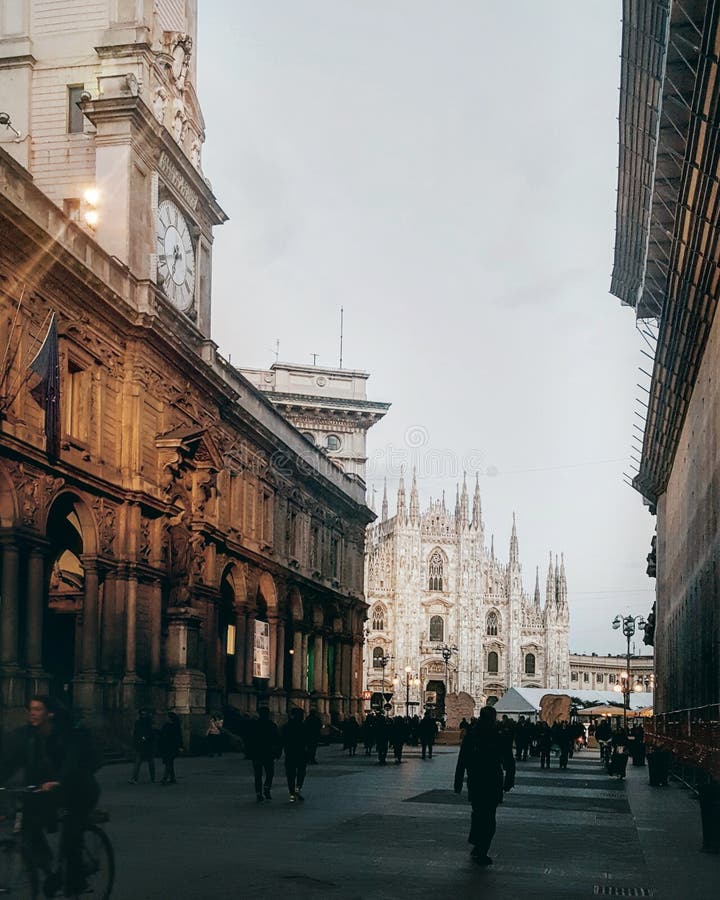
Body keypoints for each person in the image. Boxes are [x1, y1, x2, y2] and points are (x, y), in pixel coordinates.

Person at [0, 696, 101, 897]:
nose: (32, 713)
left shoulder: (66, 734)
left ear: (50, 713)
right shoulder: (29, 735)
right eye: (31, 709)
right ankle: (47, 866)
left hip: (79, 789)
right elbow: (9, 762)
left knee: (71, 835)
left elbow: (71, 761)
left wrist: (59, 781)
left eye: (38, 709)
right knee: (28, 824)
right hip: (48, 790)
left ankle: (76, 882)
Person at [454, 705, 514, 866]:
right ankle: (481, 848)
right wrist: (509, 779)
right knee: (488, 816)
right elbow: (509, 759)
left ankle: (477, 844)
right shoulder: (498, 734)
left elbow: (462, 759)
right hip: (492, 780)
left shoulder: (472, 733)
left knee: (478, 813)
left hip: (476, 779)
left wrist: (458, 781)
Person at [247, 707, 282, 801]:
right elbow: (277, 739)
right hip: (268, 753)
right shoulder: (271, 725)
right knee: (270, 773)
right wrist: (278, 752)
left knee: (258, 774)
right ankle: (267, 787)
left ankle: (258, 793)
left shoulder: (254, 725)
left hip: (257, 753)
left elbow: (250, 739)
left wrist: (249, 752)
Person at [282, 708, 309, 802]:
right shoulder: (304, 727)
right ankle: (297, 790)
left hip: (290, 753)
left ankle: (292, 793)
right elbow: (307, 741)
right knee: (301, 773)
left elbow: (282, 740)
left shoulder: (287, 727)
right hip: (300, 753)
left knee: (291, 774)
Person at [130, 709, 156, 783]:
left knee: (149, 762)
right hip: (141, 745)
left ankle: (152, 778)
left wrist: (145, 737)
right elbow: (136, 733)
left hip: (147, 745)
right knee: (138, 762)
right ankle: (135, 778)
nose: (143, 715)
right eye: (142, 714)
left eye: (144, 714)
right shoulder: (139, 722)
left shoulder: (148, 722)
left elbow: (152, 734)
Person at [158, 712, 183, 785]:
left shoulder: (175, 726)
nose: (166, 718)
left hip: (172, 747)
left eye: (167, 717)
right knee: (169, 762)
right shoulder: (166, 725)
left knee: (168, 762)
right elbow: (162, 734)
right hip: (166, 746)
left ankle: (165, 778)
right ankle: (172, 778)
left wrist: (180, 746)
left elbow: (178, 737)